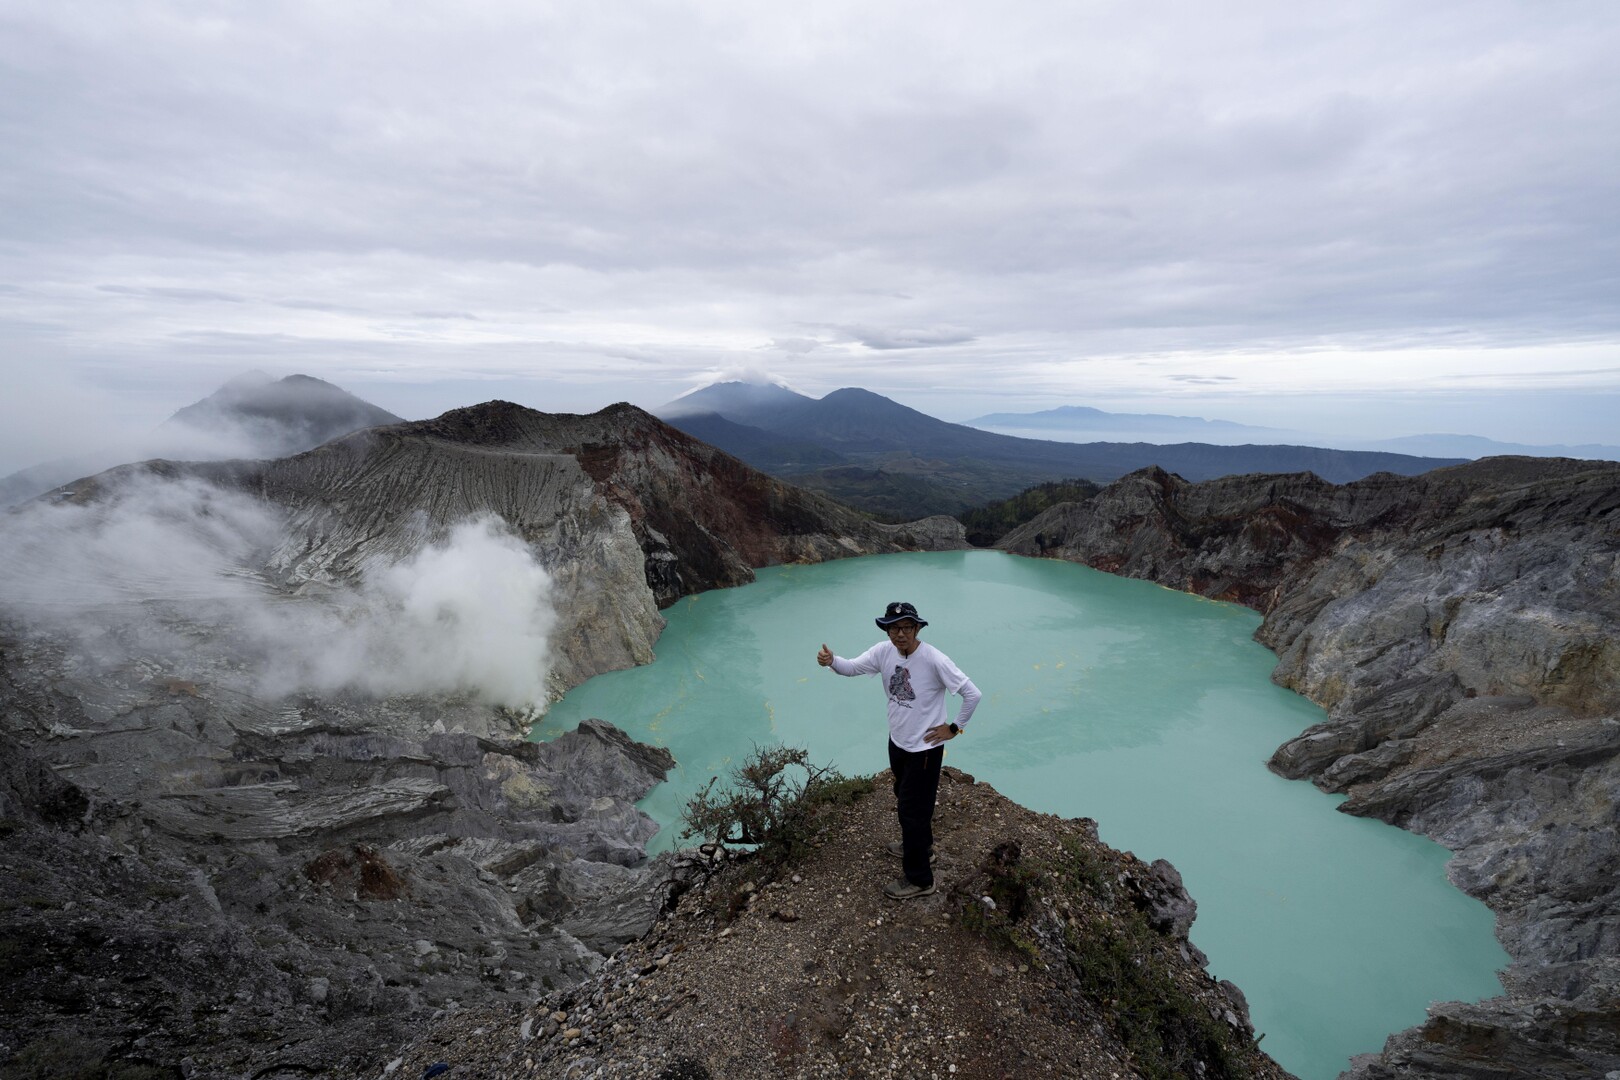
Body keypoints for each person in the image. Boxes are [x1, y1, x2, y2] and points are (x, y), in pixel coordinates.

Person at [817, 601, 981, 899]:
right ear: (887, 630)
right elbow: (851, 668)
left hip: (924, 750)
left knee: (911, 811)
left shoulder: (934, 659)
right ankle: (922, 847)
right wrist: (831, 661)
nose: (900, 634)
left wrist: (954, 728)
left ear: (917, 628)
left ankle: (920, 879)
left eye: (906, 627)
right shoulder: (883, 652)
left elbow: (973, 694)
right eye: (894, 628)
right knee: (907, 799)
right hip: (898, 742)